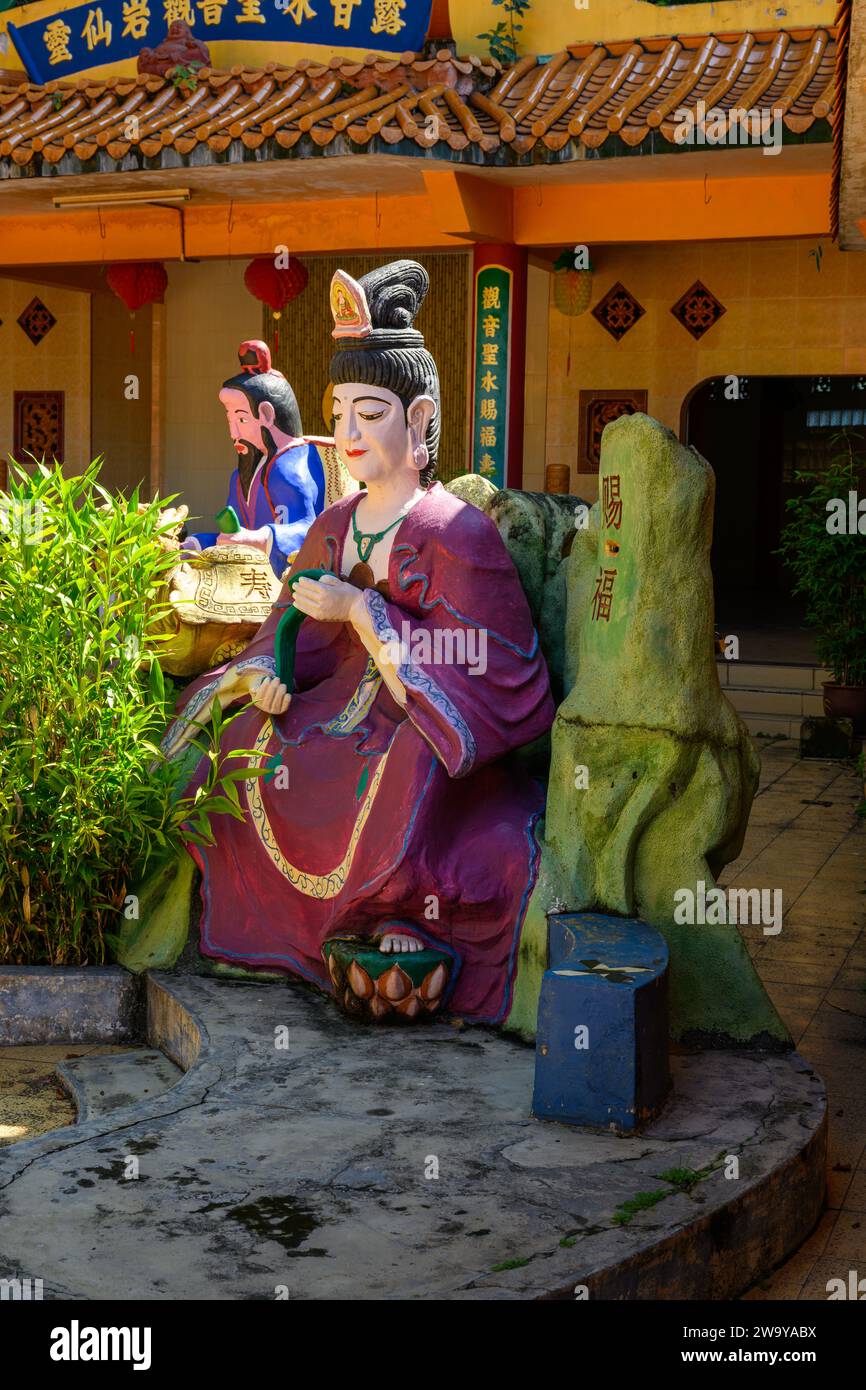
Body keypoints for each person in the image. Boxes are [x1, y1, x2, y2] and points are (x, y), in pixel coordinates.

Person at [163, 260, 554, 1023]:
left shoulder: (455, 532)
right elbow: (287, 632)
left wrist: (366, 616)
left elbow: (487, 667)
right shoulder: (335, 526)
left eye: (368, 412)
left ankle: (399, 914)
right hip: (331, 713)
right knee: (247, 742)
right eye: (338, 411)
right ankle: (291, 939)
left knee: (406, 767)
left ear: (417, 420)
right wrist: (266, 680)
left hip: (420, 721)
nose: (346, 434)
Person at [183, 340, 326, 578]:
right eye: (230, 421)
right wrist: (195, 546)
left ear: (267, 415)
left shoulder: (290, 468)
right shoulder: (240, 477)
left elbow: (308, 532)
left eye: (241, 420)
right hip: (250, 581)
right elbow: (234, 538)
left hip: (289, 586)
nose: (233, 434)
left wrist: (257, 539)